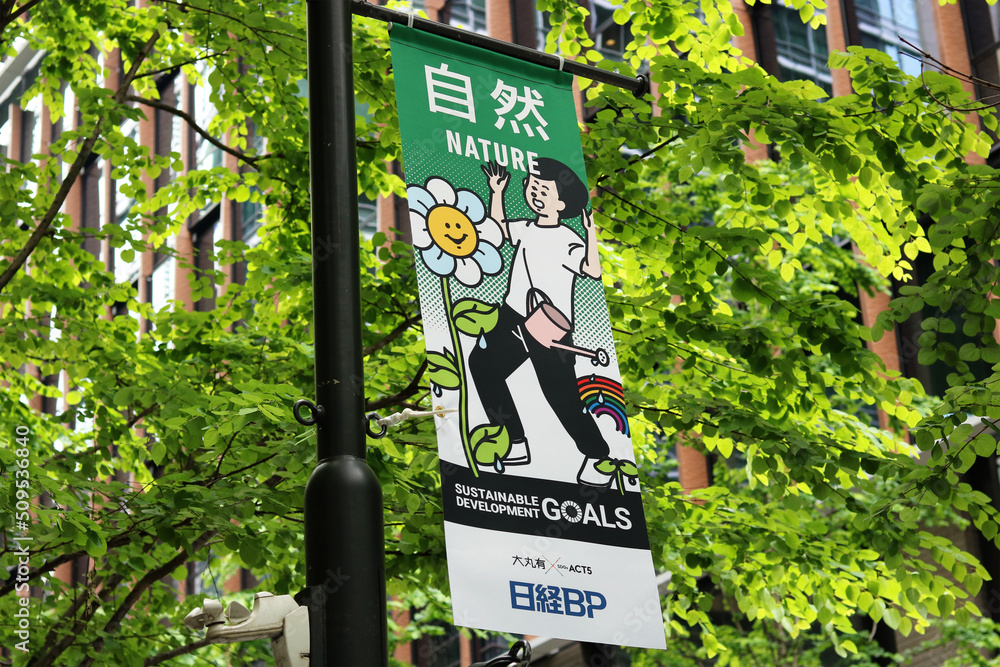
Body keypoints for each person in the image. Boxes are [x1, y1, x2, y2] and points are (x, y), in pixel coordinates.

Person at [468, 158, 613, 487]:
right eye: (531, 186)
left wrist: (590, 234)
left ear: (561, 203)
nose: (534, 192)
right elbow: (499, 229)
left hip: (551, 329)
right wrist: (496, 193)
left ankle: (597, 456)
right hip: (514, 316)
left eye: (543, 189)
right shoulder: (527, 227)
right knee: (482, 365)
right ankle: (515, 442)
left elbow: (591, 269)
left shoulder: (566, 238)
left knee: (561, 397)